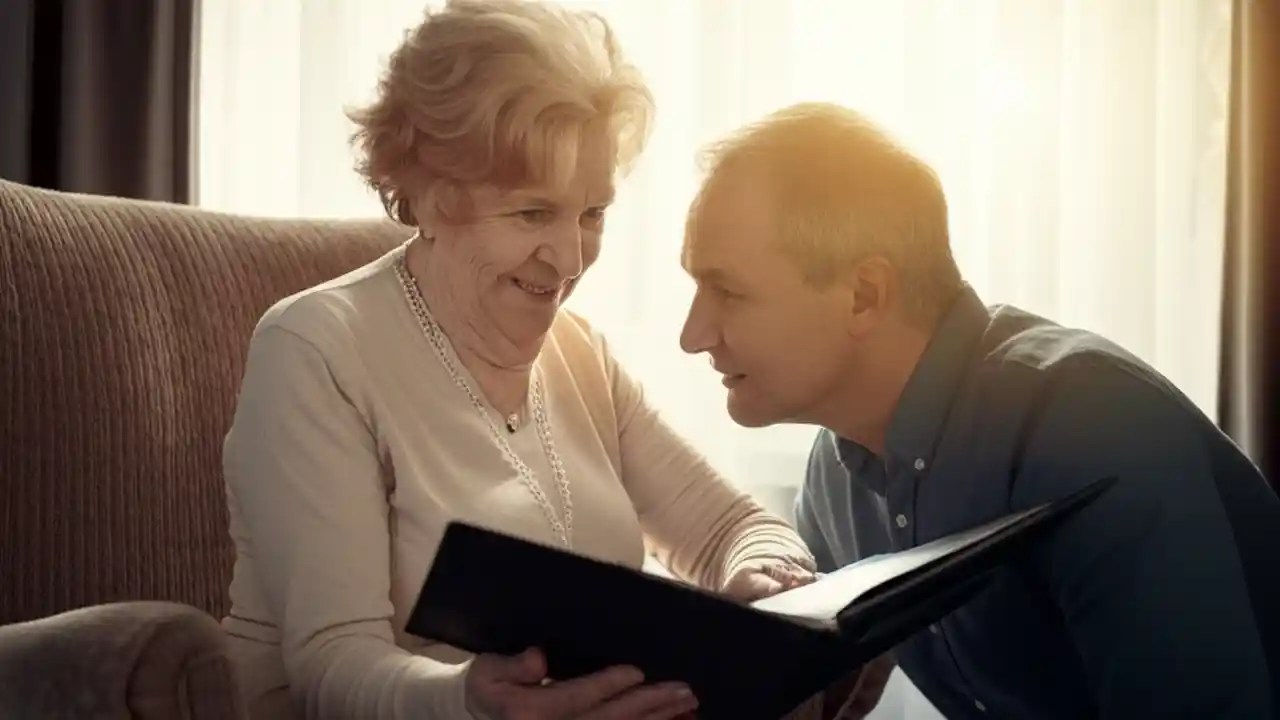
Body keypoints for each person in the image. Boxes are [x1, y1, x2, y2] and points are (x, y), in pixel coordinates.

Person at [218, 3, 823, 719]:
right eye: (534, 214)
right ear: (435, 200)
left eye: (592, 214)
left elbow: (733, 528)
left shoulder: (580, 355)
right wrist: (469, 703)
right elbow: (329, 665)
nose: (569, 260)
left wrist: (763, 574)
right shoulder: (316, 349)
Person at [678, 101, 1280, 719]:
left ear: (864, 295)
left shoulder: (1094, 428)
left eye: (727, 291)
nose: (692, 335)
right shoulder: (834, 481)